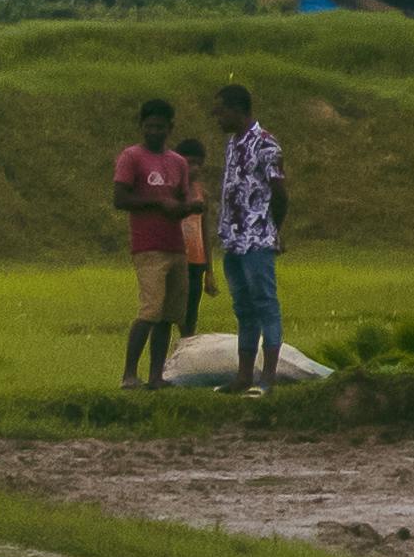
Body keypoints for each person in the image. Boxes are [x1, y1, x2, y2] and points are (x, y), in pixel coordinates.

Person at [112, 96, 204, 388]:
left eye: (160, 127)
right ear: (141, 126)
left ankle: (156, 376)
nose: (155, 132)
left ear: (170, 128)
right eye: (150, 126)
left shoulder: (177, 162)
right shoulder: (132, 157)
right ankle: (129, 374)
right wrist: (157, 203)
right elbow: (120, 198)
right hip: (148, 246)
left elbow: (184, 196)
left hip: (176, 245)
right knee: (150, 311)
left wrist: (191, 206)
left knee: (169, 314)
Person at [210, 81, 288, 392]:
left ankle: (267, 377)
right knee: (243, 307)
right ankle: (244, 376)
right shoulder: (233, 143)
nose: (217, 119)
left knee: (265, 303)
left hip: (257, 239)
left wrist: (273, 229)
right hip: (233, 239)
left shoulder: (266, 145)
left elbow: (280, 193)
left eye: (221, 112)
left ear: (236, 110)